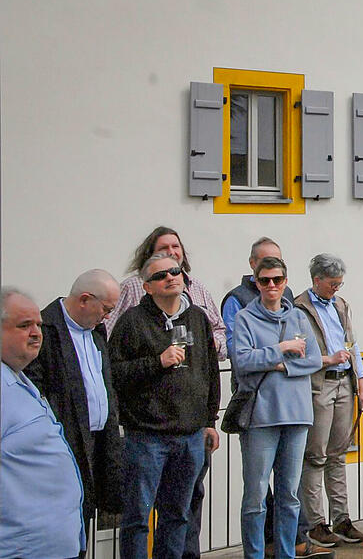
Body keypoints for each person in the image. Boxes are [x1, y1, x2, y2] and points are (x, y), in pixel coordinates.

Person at [109, 253, 221, 558]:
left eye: (175, 271)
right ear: (147, 287)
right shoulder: (132, 321)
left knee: (177, 515)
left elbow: (210, 370)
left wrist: (210, 420)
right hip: (147, 437)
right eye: (161, 276)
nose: (171, 277)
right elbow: (115, 374)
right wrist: (157, 362)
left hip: (190, 436)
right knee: (137, 518)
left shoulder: (197, 317)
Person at [232, 256, 324, 558]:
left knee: (290, 495)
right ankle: (255, 555)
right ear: (256, 283)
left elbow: (312, 360)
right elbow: (243, 361)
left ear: (285, 282)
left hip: (297, 414)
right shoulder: (246, 317)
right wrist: (281, 350)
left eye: (277, 280)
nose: (271, 286)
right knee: (256, 496)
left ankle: (287, 553)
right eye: (265, 280)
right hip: (262, 416)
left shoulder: (297, 317)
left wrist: (280, 366)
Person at [25, 270, 124, 540]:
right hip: (66, 444)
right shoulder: (46, 330)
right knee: (66, 528)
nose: (107, 316)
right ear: (84, 299)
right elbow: (38, 392)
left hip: (98, 442)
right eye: (105, 309)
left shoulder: (96, 331)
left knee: (84, 526)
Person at [0, 288, 87, 559]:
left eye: (38, 324)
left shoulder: (20, 379)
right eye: (24, 325)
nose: (36, 332)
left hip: (51, 544)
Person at [294, 254, 363, 547]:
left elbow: (353, 344)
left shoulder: (341, 304)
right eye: (332, 284)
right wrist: (328, 359)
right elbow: (298, 352)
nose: (336, 289)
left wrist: (362, 384)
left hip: (344, 384)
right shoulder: (300, 308)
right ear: (316, 280)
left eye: (340, 284)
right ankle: (316, 523)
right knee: (315, 455)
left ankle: (342, 519)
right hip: (319, 384)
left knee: (338, 454)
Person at [105, 226, 226, 355]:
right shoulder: (131, 287)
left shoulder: (198, 287)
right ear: (150, 254)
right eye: (163, 248)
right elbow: (107, 329)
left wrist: (213, 344)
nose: (171, 252)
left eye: (175, 246)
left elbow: (219, 329)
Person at [223, 237, 295, 352]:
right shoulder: (236, 298)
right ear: (252, 263)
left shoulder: (286, 292)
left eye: (278, 261)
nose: (273, 265)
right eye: (266, 261)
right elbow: (234, 346)